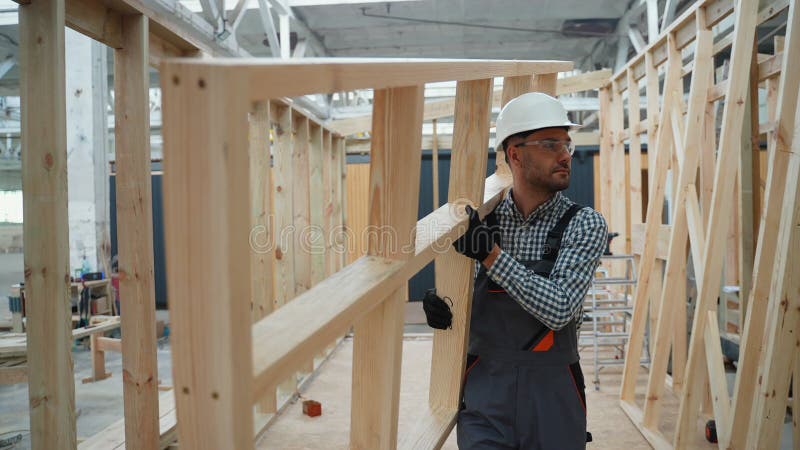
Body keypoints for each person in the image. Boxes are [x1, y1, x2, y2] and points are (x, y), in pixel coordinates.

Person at [423, 92, 608, 450]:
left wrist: (492, 257)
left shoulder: (583, 224)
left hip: (553, 395)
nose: (565, 155)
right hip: (485, 392)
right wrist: (446, 310)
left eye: (566, 144)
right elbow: (463, 308)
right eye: (551, 144)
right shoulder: (476, 222)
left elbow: (559, 309)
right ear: (515, 154)